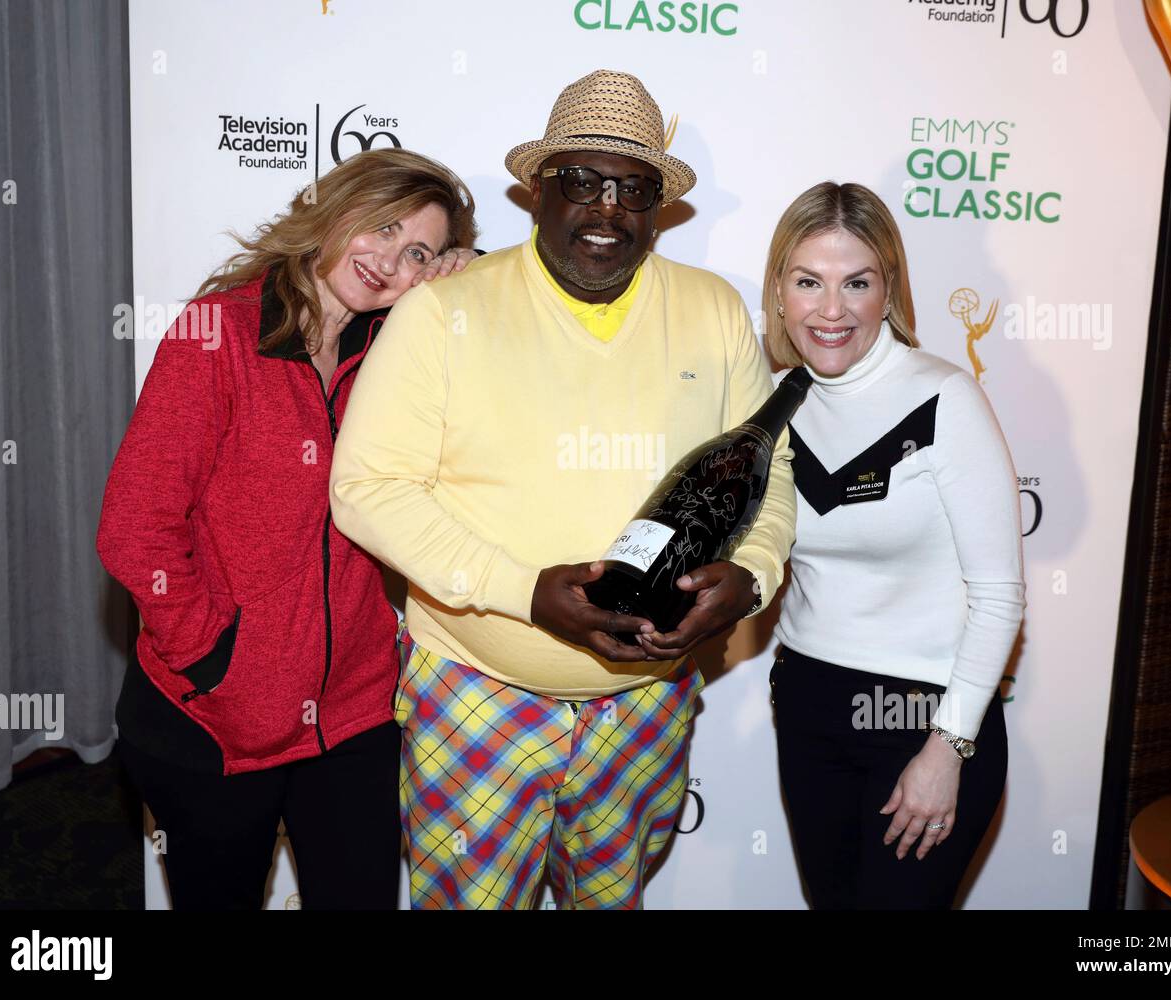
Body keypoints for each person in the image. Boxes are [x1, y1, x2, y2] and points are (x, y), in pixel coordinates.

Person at [329, 69, 796, 909]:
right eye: (582, 181)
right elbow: (367, 488)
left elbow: (777, 470)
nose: (608, 209)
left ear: (659, 205)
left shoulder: (714, 309)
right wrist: (521, 594)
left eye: (633, 188)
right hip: (477, 699)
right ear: (538, 190)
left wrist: (754, 575)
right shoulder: (443, 314)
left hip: (645, 711)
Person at [96, 148, 479, 909]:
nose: (386, 260)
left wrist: (470, 276)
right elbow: (134, 528)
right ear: (336, 210)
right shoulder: (220, 335)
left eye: (417, 253)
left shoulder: (393, 354)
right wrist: (215, 657)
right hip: (214, 720)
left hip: (354, 711)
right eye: (381, 225)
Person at [764, 181, 1025, 909]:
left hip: (922, 718)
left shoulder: (946, 399)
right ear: (780, 290)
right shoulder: (777, 401)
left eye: (858, 283)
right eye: (808, 282)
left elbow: (999, 598)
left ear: (890, 290)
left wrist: (949, 748)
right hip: (811, 707)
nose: (832, 309)